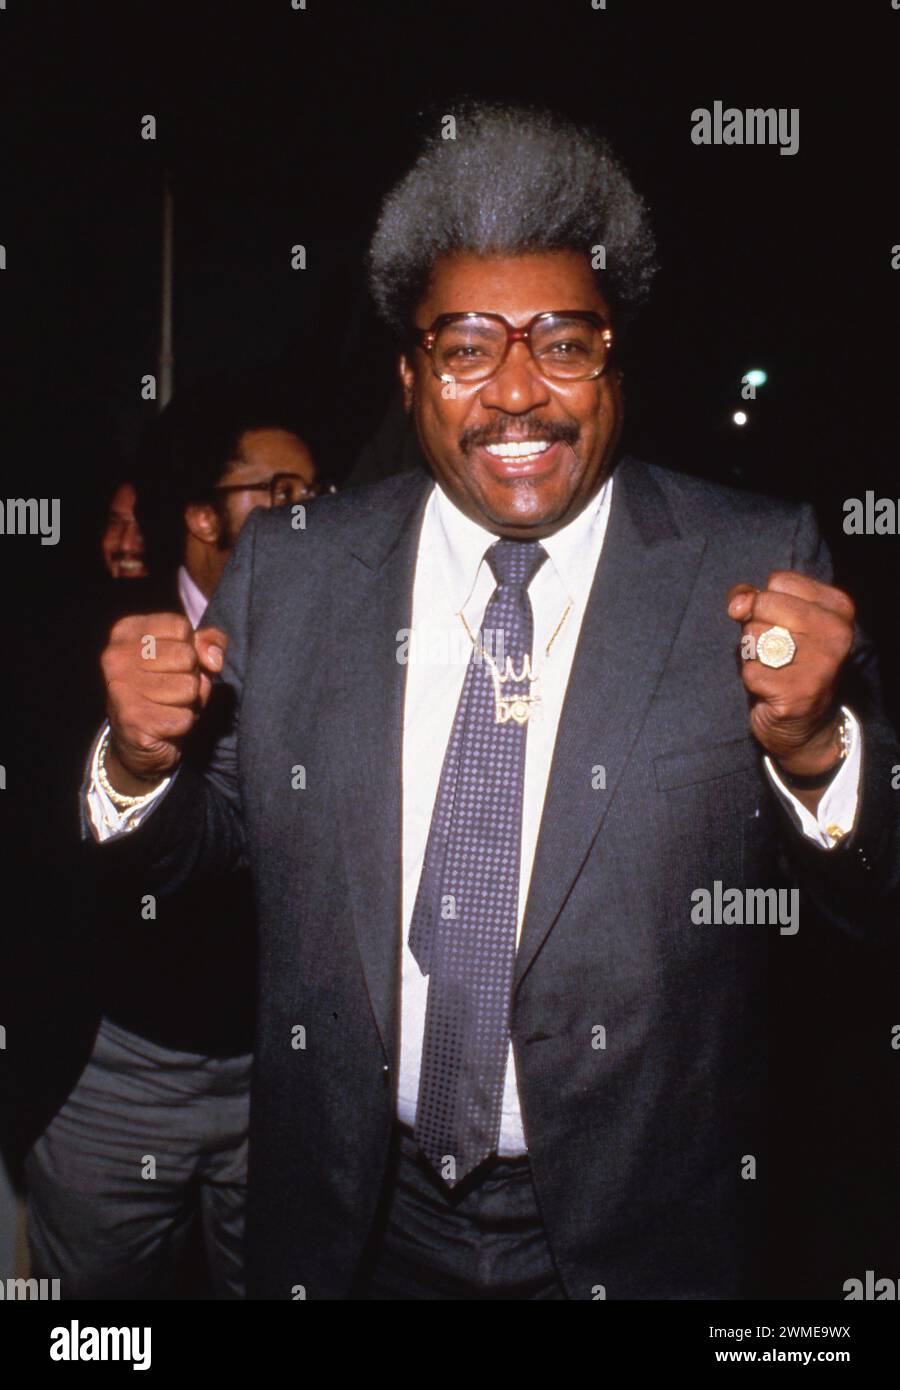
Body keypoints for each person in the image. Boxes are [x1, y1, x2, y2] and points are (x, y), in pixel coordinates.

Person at [83, 105, 900, 1300]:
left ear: (615, 361)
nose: (519, 394)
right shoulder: (297, 570)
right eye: (467, 346)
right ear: (413, 373)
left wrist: (822, 752)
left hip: (643, 1231)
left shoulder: (752, 561)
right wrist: (139, 770)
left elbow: (866, 903)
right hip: (355, 1218)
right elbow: (212, 854)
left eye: (564, 343)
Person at [27, 391, 322, 1299]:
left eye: (317, 488)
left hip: (281, 1076)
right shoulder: (90, 636)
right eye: (279, 488)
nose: (309, 509)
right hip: (118, 1074)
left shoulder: (337, 643)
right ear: (201, 516)